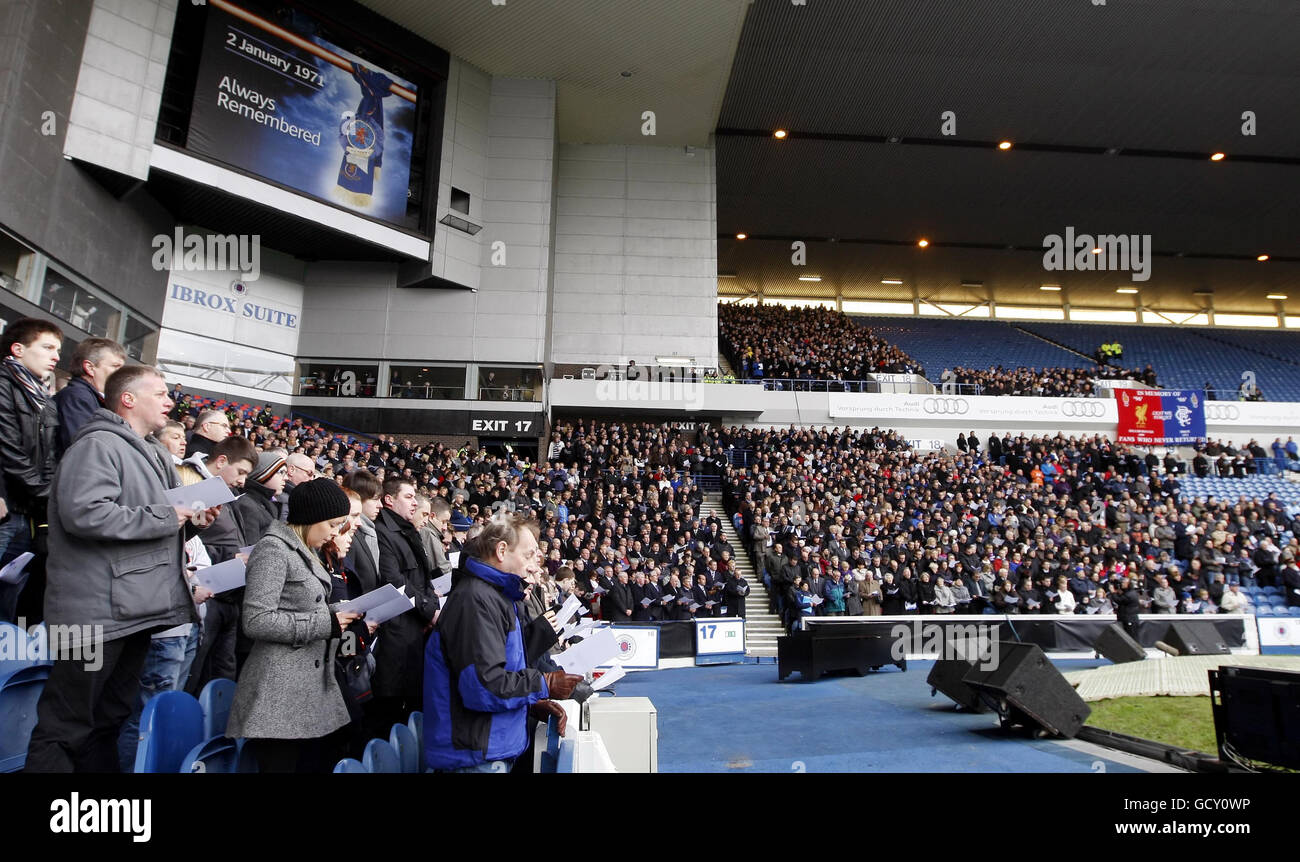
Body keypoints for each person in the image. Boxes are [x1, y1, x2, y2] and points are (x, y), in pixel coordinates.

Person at [26, 365, 208, 772]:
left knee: (109, 720)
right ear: (128, 398)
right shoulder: (98, 446)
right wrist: (167, 516)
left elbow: (153, 516)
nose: (170, 401)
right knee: (67, 724)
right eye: (160, 393)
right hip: (93, 616)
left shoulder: (148, 451)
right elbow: (85, 514)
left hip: (132, 612)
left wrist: (192, 518)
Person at [423, 513, 581, 772]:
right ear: (502, 550)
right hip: (472, 757)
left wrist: (531, 704)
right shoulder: (476, 601)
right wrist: (544, 684)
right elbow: (484, 687)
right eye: (529, 555)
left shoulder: (497, 598)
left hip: (487, 749)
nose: (535, 566)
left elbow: (502, 672)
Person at [226, 479, 357, 772]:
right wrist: (326, 622)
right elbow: (256, 621)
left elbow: (304, 606)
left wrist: (339, 613)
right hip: (278, 695)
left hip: (307, 690)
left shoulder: (304, 550)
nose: (336, 533)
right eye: (333, 524)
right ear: (312, 518)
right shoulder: (273, 550)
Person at [0, 317, 62, 622]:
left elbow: (48, 457)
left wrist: (46, 499)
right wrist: (50, 496)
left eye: (58, 349)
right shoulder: (2, 384)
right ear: (18, 349)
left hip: (26, 513)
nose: (56, 356)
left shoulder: (44, 399)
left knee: (8, 603)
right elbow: (8, 450)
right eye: (48, 347)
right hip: (6, 508)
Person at [371, 477, 440, 733]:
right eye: (409, 497)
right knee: (391, 715)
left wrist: (431, 607)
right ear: (389, 499)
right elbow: (394, 581)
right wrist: (430, 612)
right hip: (397, 637)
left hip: (415, 633)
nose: (414, 502)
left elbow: (424, 580)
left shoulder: (409, 531)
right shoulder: (383, 532)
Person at [53, 337, 125, 456]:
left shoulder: (91, 398)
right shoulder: (77, 397)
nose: (121, 374)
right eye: (115, 366)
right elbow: (82, 449)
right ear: (90, 368)